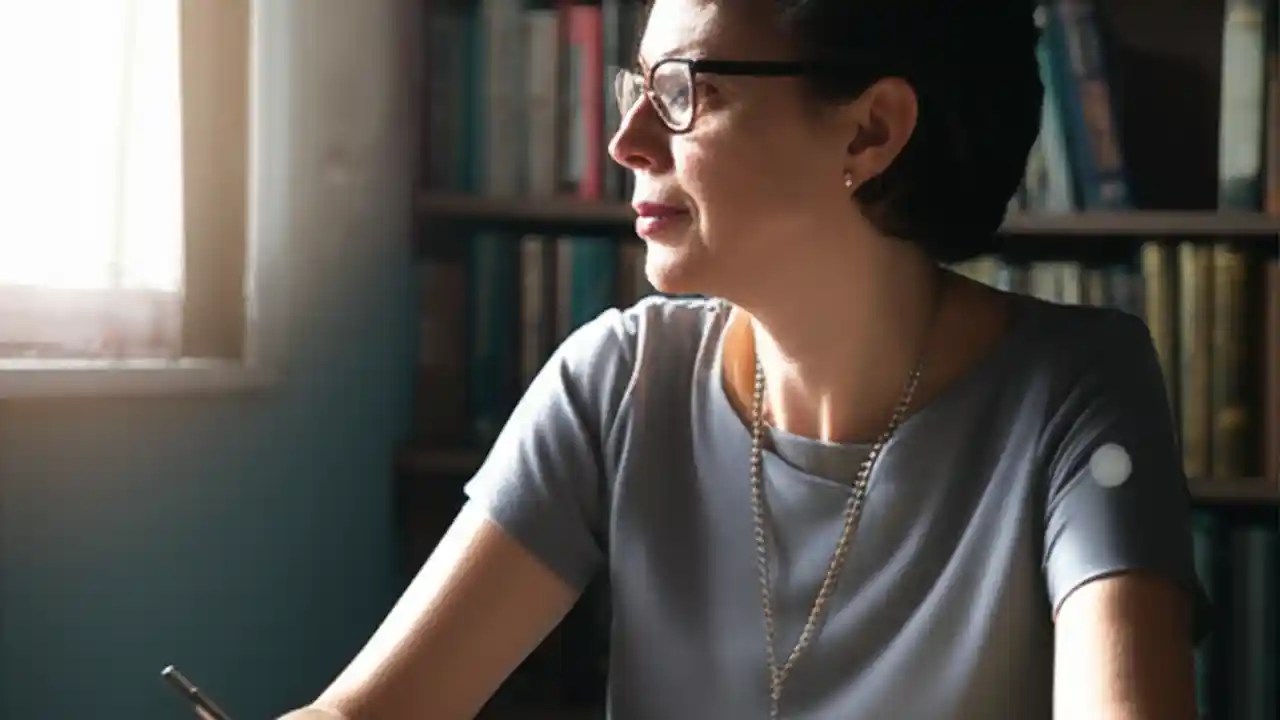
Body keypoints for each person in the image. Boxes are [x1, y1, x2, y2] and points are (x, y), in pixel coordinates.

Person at [282, 0, 1207, 717]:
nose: (626, 141)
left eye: (687, 89)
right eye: (634, 86)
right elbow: (369, 711)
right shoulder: (615, 385)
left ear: (870, 130)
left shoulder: (1076, 389)